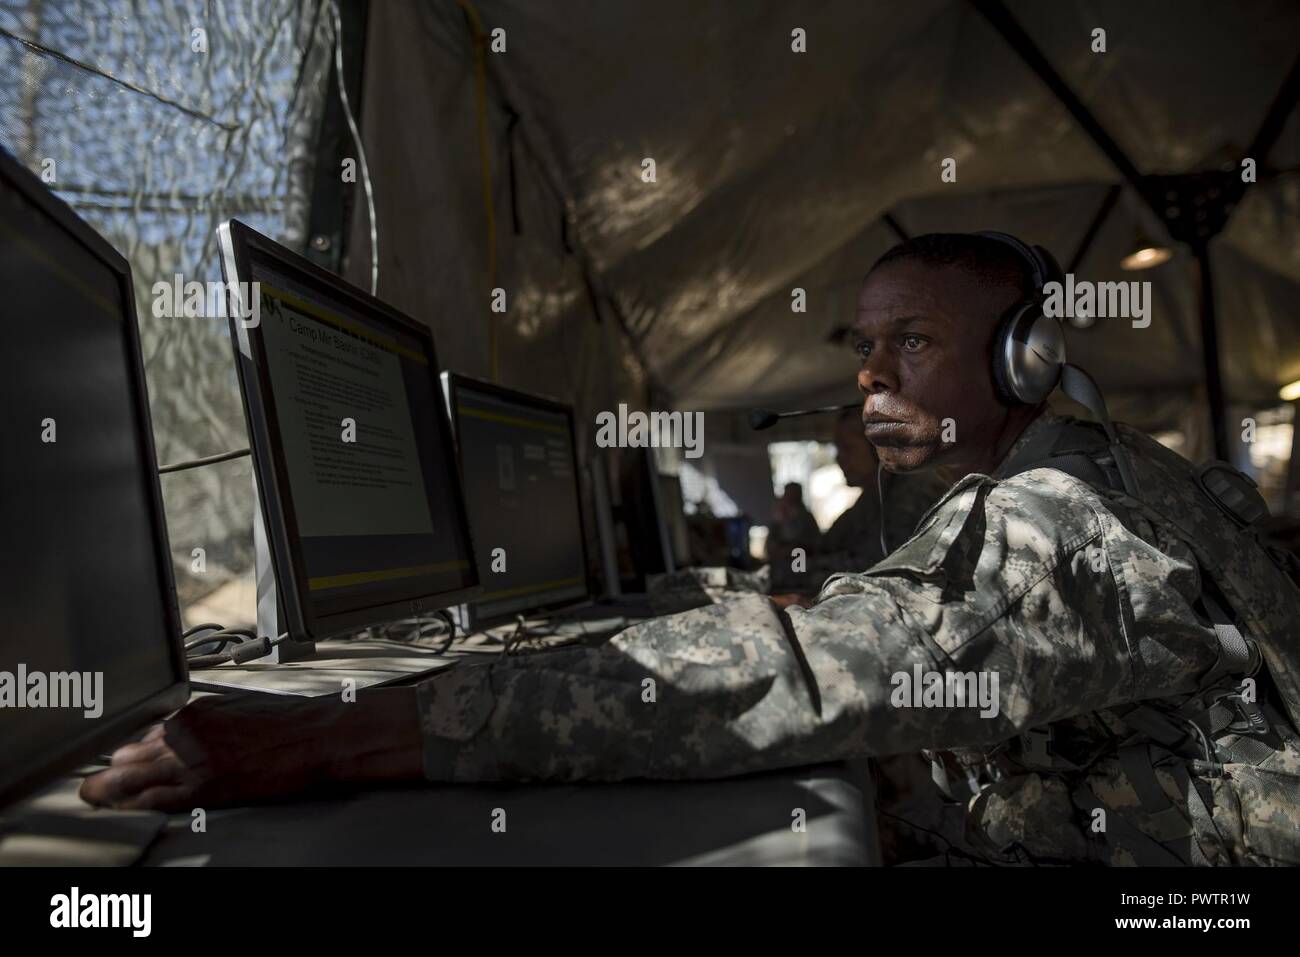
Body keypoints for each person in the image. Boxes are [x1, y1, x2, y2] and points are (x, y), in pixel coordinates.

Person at [83, 233, 1300, 866]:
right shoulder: (1077, 473)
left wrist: (332, 735)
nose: (870, 373)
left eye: (913, 342)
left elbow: (821, 668)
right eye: (862, 348)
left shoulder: (1061, 515)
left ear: (1019, 359)